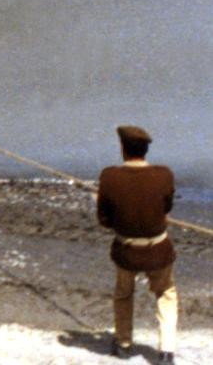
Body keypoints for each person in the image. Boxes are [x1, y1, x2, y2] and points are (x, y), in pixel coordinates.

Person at [97, 124, 177, 362]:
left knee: (124, 294)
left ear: (122, 148)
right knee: (166, 293)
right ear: (145, 150)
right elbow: (167, 207)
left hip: (127, 250)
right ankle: (166, 351)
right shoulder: (164, 175)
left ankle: (123, 344)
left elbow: (104, 220)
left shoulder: (109, 176)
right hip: (158, 250)